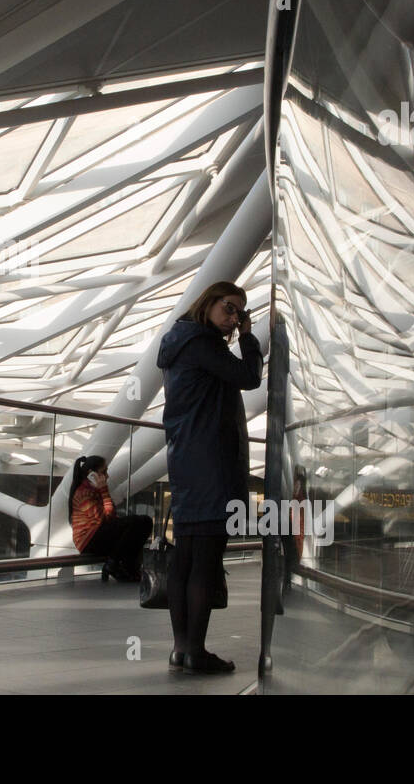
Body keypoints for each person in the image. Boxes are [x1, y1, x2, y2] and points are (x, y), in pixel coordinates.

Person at [157, 280, 263, 674]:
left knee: (187, 558)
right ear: (209, 302)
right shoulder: (201, 343)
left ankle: (181, 649)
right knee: (204, 561)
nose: (234, 318)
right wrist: (249, 339)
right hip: (210, 465)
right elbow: (249, 377)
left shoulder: (179, 341)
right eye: (229, 308)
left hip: (187, 460)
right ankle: (195, 651)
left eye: (240, 313)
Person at [68, 454, 152, 581]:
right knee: (137, 522)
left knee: (144, 522)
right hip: (89, 540)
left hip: (96, 536)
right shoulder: (84, 493)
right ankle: (114, 564)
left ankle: (122, 565)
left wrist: (102, 492)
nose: (107, 476)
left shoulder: (93, 491)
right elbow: (104, 519)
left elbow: (110, 516)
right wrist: (104, 490)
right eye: (104, 472)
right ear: (92, 474)